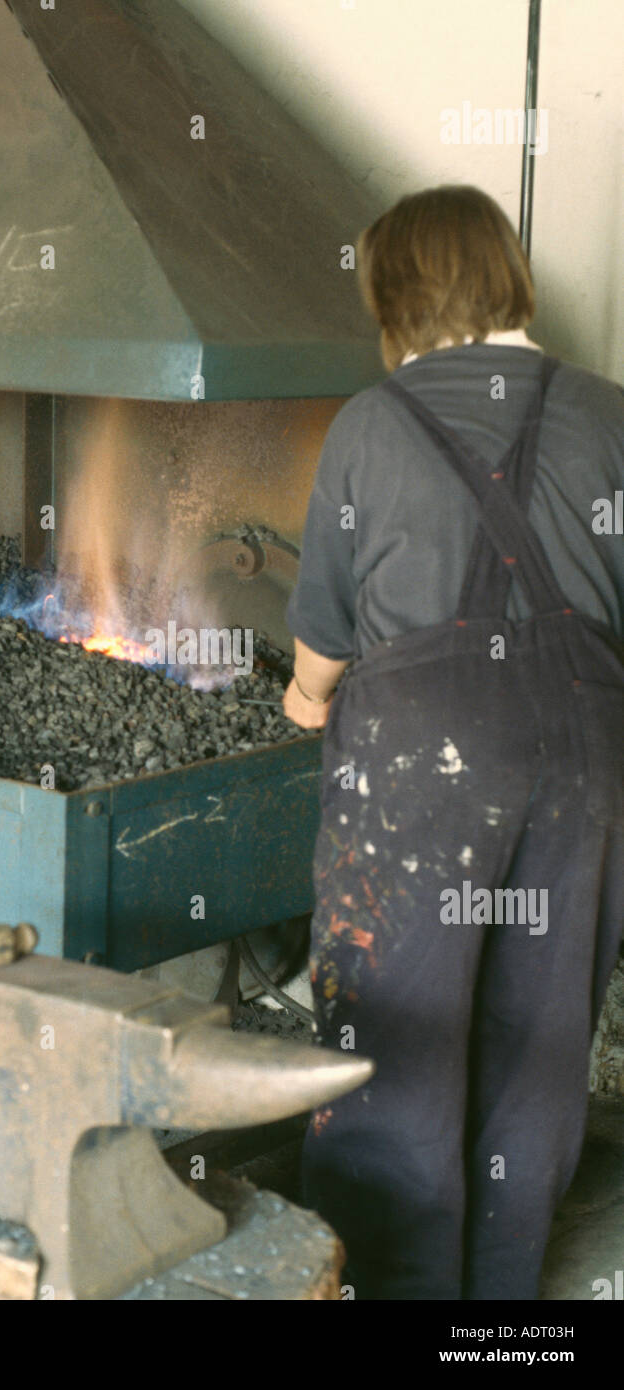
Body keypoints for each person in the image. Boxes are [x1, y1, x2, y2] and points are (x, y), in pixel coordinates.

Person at [283, 184, 624, 1300]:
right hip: (587, 756)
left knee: (399, 1024)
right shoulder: (611, 415)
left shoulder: (370, 425)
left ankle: (389, 1286)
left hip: (426, 759)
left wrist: (301, 704)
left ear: (401, 296)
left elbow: (325, 638)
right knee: (540, 1027)